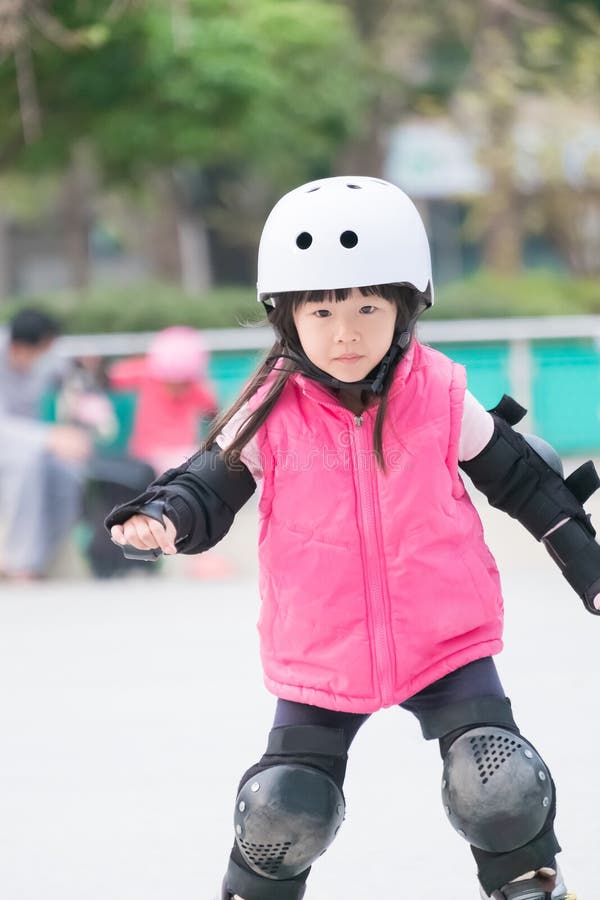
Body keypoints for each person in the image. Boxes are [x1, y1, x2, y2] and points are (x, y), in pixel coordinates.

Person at [106, 177, 600, 900]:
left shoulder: (439, 393)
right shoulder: (269, 406)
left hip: (444, 639)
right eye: (324, 308)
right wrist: (165, 518)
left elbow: (528, 482)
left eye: (369, 306)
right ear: (288, 317)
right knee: (285, 810)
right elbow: (206, 484)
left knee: (498, 782)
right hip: (322, 648)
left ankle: (530, 884)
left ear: (407, 308)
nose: (346, 331)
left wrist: (589, 569)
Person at [0, 307, 91, 580]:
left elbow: (73, 375)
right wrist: (49, 437)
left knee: (68, 475)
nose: (48, 358)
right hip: (17, 447)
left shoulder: (45, 357)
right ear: (19, 349)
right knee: (26, 464)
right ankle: (20, 564)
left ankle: (38, 560)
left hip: (30, 445)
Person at [108, 326, 218, 474]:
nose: (176, 385)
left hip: (179, 453)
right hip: (149, 454)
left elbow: (213, 410)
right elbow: (114, 376)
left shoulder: (194, 387)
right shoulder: (149, 374)